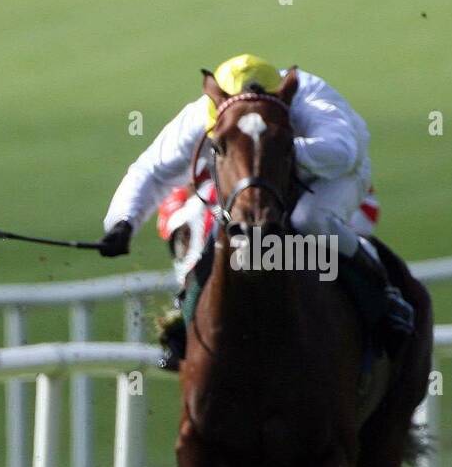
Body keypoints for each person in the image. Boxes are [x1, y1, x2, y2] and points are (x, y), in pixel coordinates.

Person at [97, 54, 414, 367]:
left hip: (333, 172)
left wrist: (267, 146)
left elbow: (342, 154)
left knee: (310, 220)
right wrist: (122, 222)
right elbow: (150, 171)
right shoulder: (198, 117)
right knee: (221, 229)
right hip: (254, 174)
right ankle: (186, 313)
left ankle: (383, 296)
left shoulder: (311, 99)